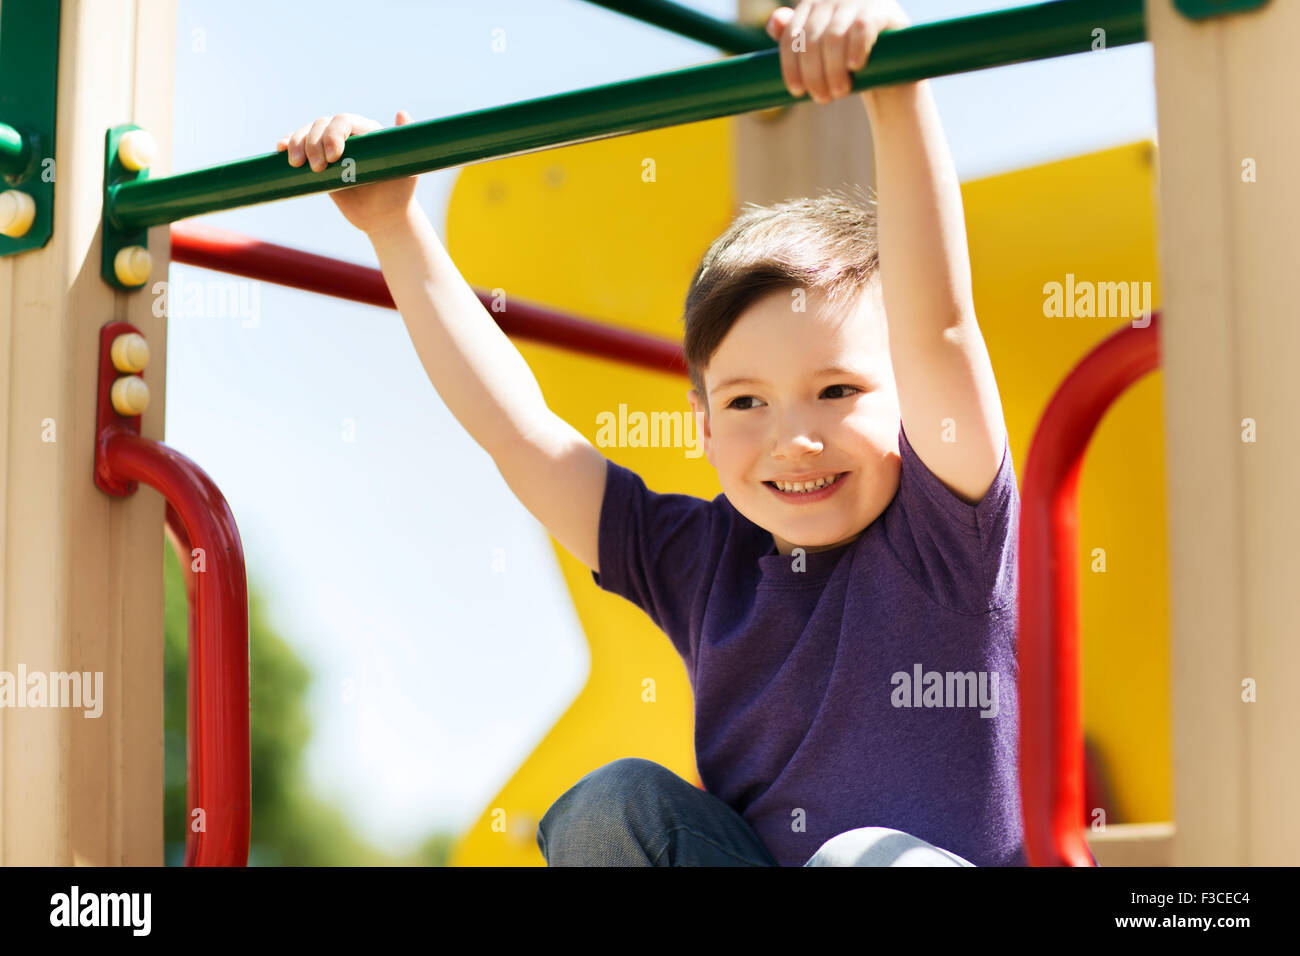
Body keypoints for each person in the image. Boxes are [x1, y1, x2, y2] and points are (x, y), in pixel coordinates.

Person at [277, 0, 1034, 867]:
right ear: (702, 428)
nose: (794, 438)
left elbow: (939, 327)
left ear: (906, 403)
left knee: (856, 858)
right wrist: (394, 228)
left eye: (836, 390)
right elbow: (519, 433)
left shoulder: (949, 533)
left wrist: (896, 94)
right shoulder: (703, 563)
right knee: (611, 808)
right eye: (748, 403)